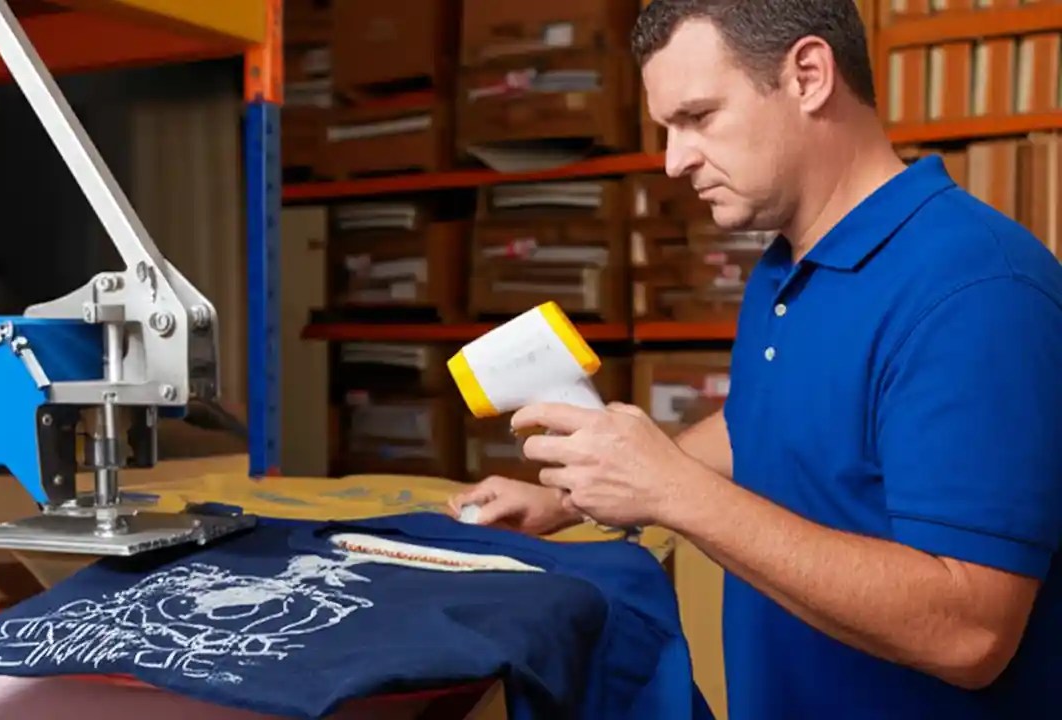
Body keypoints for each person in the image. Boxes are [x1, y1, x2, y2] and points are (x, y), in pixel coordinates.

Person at [448, 1, 1062, 718]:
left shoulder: (976, 292)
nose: (674, 161)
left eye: (699, 118)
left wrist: (673, 490)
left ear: (808, 75)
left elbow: (971, 633)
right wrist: (570, 498)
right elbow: (763, 426)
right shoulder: (786, 264)